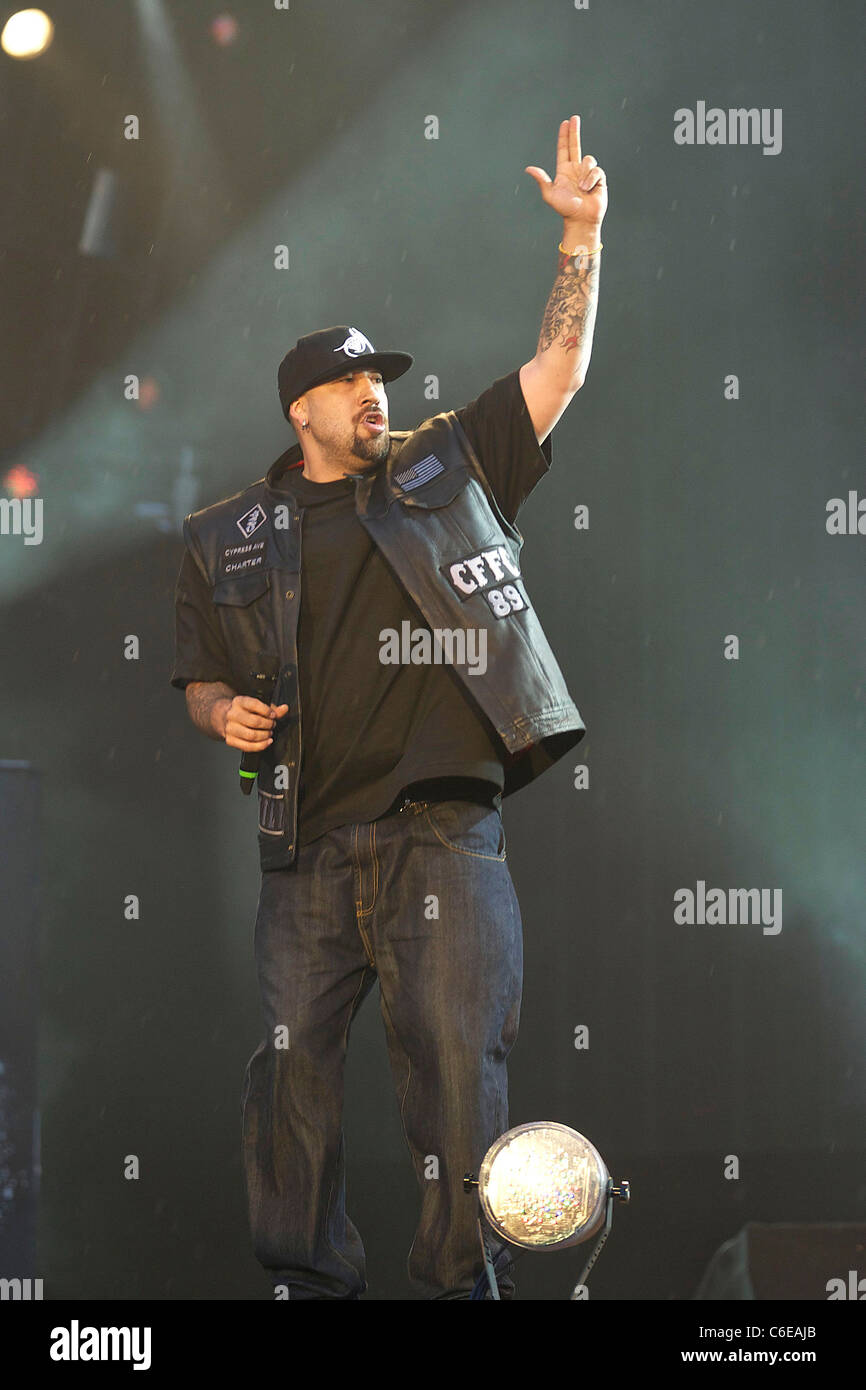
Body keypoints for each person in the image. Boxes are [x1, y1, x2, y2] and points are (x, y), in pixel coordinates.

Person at [170, 115, 607, 1299]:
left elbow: (558, 370)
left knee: (461, 1073)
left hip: (440, 835)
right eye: (348, 380)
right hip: (303, 846)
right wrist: (222, 719)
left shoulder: (445, 466)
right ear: (297, 411)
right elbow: (201, 675)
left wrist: (583, 238)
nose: (372, 393)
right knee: (289, 1082)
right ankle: (309, 1284)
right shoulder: (227, 537)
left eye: (378, 377)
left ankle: (463, 1290)